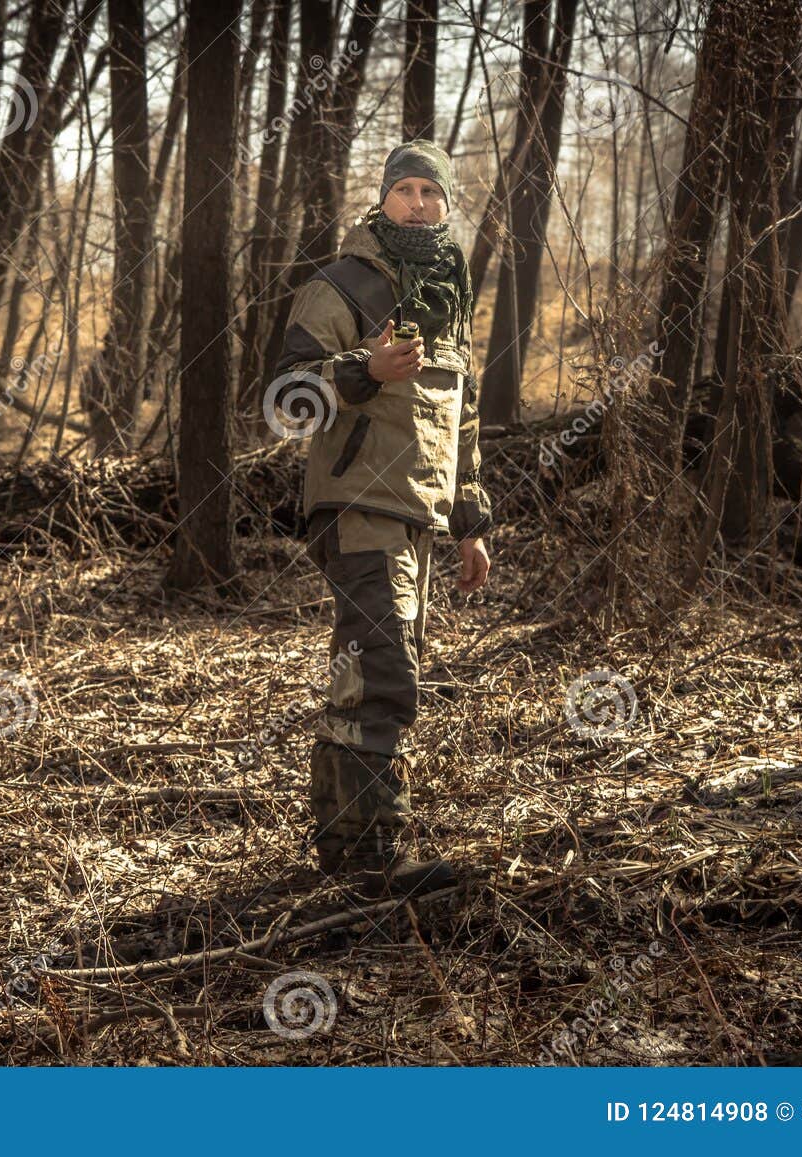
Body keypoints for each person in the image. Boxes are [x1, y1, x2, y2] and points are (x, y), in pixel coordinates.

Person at [269, 139, 493, 900]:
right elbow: (285, 399)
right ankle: (376, 861)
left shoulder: (450, 293)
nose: (418, 205)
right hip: (358, 504)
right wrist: (363, 370)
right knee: (385, 669)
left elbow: (461, 419)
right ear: (384, 200)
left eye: (432, 192)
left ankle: (341, 857)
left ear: (447, 204)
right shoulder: (343, 283)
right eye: (405, 190)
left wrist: (470, 522)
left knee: (364, 671)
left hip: (420, 513)